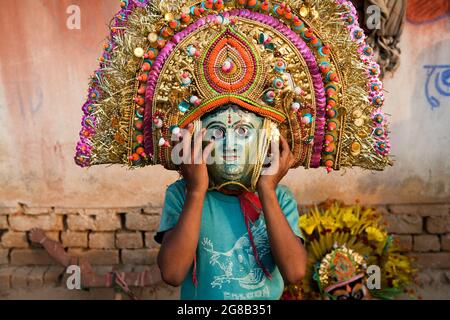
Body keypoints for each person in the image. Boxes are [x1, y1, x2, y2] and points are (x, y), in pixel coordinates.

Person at [155, 105, 307, 300]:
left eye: (243, 131)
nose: (230, 145)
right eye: (217, 132)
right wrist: (196, 191)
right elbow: (172, 274)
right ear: (196, 141)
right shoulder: (182, 194)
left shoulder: (279, 196)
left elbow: (294, 272)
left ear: (265, 139)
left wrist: (267, 190)